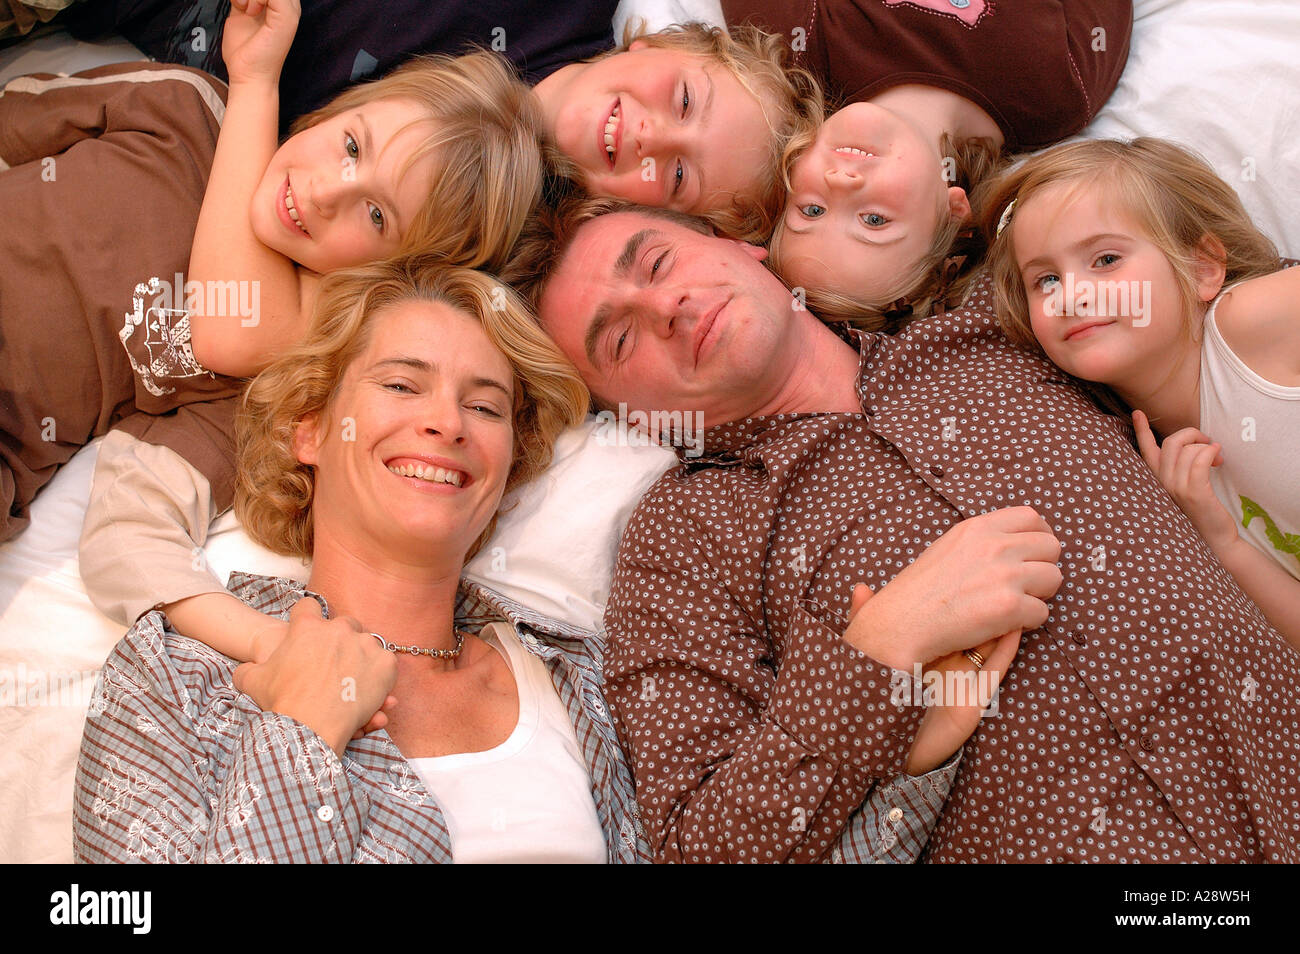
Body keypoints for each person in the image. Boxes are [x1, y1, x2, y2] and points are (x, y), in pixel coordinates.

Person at [501, 196, 1300, 863]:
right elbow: (700, 845)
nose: (664, 307)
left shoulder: (997, 322)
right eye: (620, 337)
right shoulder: (680, 543)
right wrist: (876, 651)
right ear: (622, 414)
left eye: (657, 263)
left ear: (738, 244)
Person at [72, 258, 650, 863]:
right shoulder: (173, 680)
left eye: (484, 408)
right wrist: (304, 729)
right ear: (311, 429)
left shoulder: (585, 678)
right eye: (401, 385)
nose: (448, 422)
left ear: (506, 470)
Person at [981, 137, 1299, 647]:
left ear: (1202, 269)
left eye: (1106, 259)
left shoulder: (1252, 323)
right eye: (1045, 280)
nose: (1074, 294)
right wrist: (1224, 542)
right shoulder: (1154, 472)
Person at [186, 0, 544, 378]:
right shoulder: (187, 107)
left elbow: (231, 331)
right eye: (352, 147)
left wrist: (254, 84)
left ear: (397, 271)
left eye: (377, 216)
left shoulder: (334, 304)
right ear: (333, 111)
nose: (324, 194)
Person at [728, 0, 1133, 326]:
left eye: (812, 210)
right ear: (953, 212)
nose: (840, 180)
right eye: (873, 220)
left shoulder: (797, 45)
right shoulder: (1059, 88)